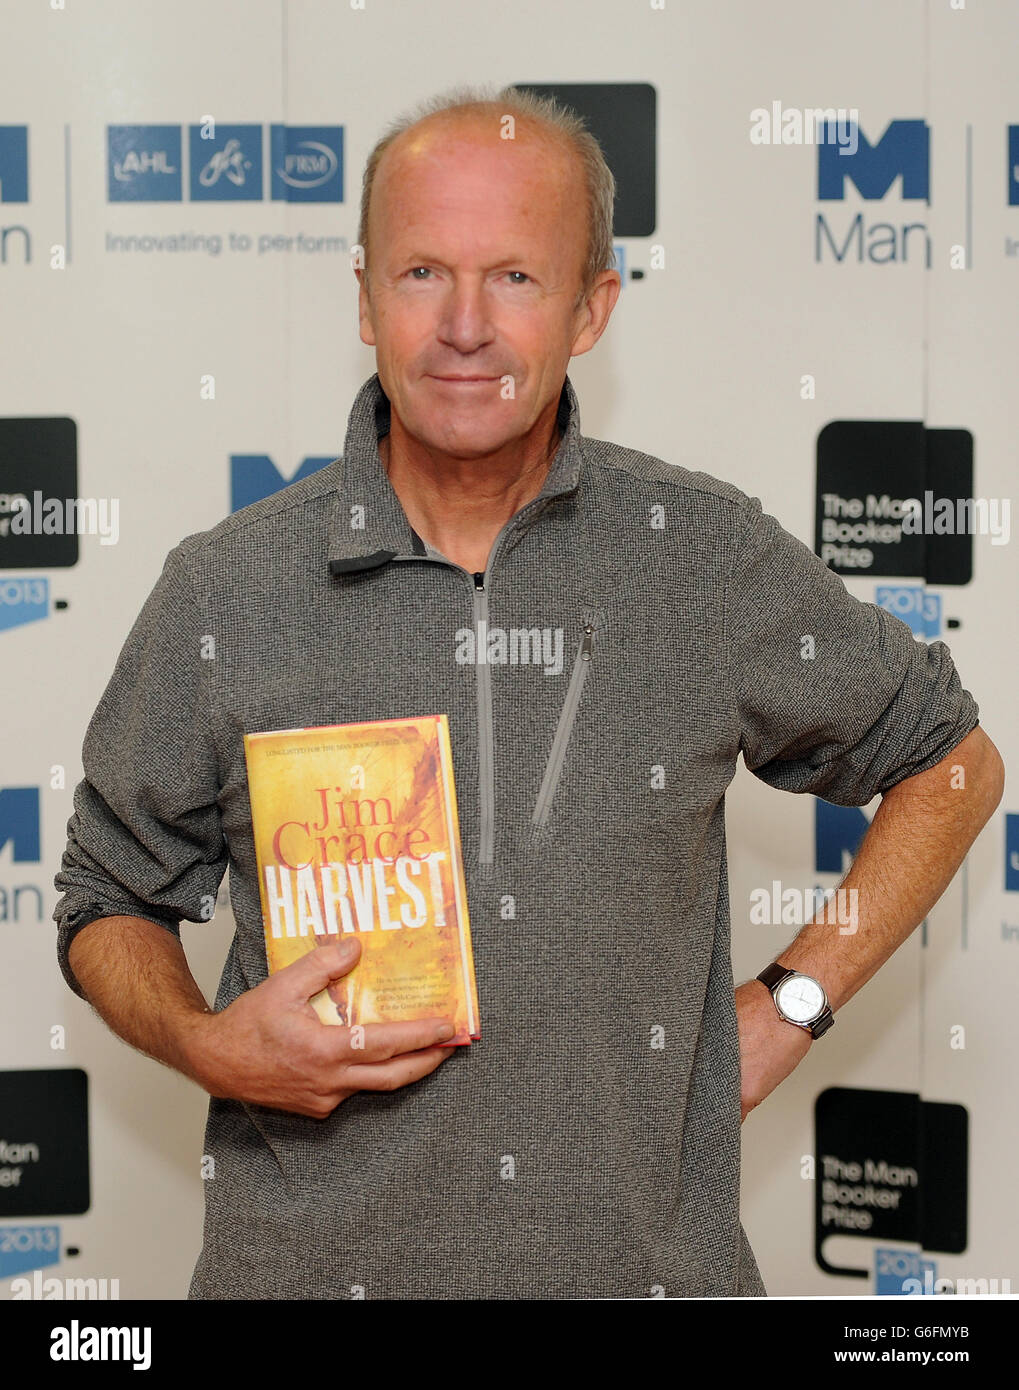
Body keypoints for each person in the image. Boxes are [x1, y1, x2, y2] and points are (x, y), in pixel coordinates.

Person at [53, 84, 1003, 1300]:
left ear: (590, 307)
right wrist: (205, 1043)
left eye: (512, 277)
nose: (461, 325)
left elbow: (951, 761)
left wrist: (786, 1005)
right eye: (418, 274)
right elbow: (102, 894)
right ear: (360, 297)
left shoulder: (697, 554)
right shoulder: (226, 589)